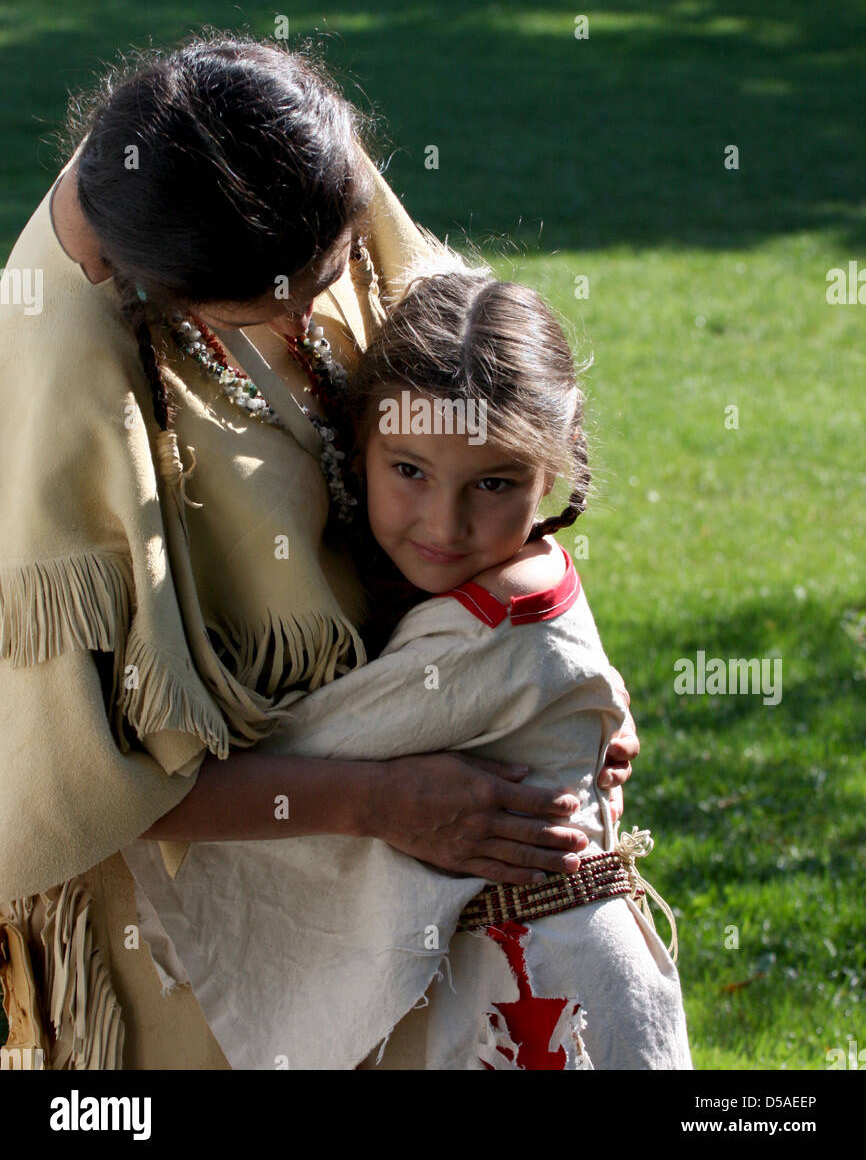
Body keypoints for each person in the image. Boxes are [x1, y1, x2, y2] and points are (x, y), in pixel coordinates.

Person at [0, 34, 637, 1070]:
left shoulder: (284, 160)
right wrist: (374, 799)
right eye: (274, 305)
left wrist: (563, 677)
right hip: (196, 913)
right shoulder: (60, 390)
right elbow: (78, 787)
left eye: (330, 273)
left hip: (410, 815)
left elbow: (492, 414)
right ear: (160, 293)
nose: (315, 320)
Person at [120, 270, 691, 1071]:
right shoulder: (520, 576)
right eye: (410, 471)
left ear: (556, 466)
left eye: (495, 484)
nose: (445, 523)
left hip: (539, 1005)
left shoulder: (492, 627)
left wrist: (111, 793)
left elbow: (207, 785)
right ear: (358, 448)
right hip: (553, 983)